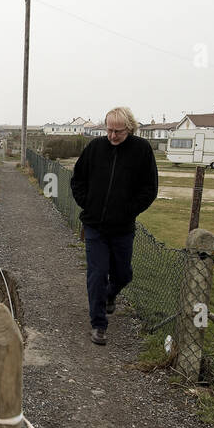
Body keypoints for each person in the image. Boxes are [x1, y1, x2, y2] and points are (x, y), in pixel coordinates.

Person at [69, 107, 159, 345]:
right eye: (109, 129)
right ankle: (98, 324)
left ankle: (110, 295)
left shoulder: (141, 151)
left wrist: (129, 210)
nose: (112, 135)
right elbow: (77, 179)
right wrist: (87, 204)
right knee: (97, 274)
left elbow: (150, 189)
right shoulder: (95, 148)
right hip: (94, 226)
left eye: (118, 131)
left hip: (123, 228)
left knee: (123, 274)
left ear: (129, 128)